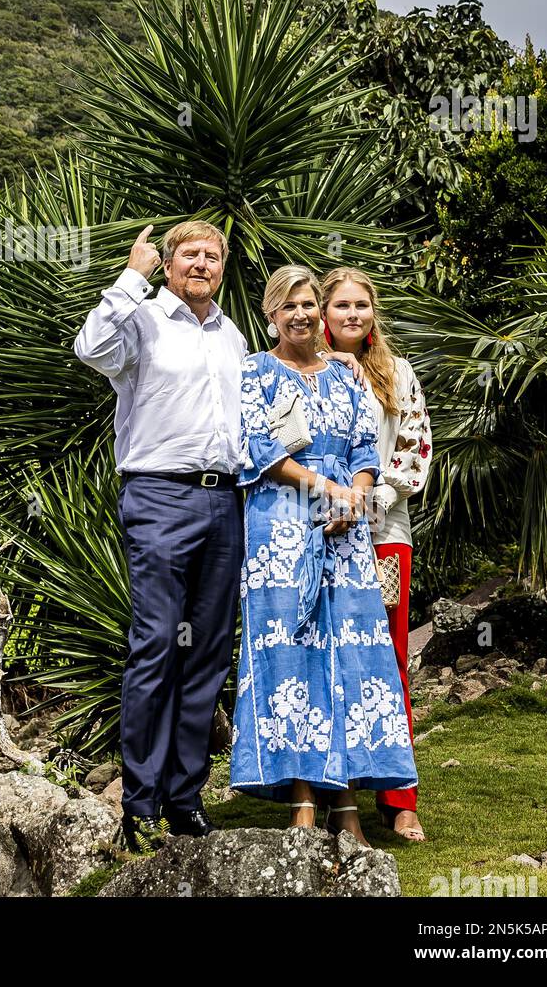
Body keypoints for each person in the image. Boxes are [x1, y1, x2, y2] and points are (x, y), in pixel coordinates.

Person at [229, 265, 418, 847]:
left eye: (310, 304)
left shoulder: (346, 378)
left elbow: (366, 445)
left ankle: (349, 805)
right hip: (278, 534)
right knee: (292, 662)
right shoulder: (254, 373)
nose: (302, 314)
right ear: (271, 314)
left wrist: (356, 495)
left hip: (348, 534)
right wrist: (324, 487)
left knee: (353, 660)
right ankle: (303, 803)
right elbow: (254, 447)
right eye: (289, 306)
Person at [73, 219, 246, 850]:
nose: (201, 264)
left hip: (225, 501)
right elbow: (88, 350)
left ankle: (184, 798)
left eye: (211, 256)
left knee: (206, 654)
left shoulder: (231, 335)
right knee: (156, 645)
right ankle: (139, 803)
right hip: (159, 497)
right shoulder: (140, 318)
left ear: (222, 267)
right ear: (168, 263)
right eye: (188, 255)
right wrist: (129, 274)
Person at [320, 266, 432, 842]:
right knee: (327, 665)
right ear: (322, 311)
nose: (353, 314)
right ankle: (330, 796)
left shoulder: (396, 372)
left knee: (387, 661)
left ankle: (399, 796)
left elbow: (415, 454)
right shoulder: (301, 368)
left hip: (383, 532)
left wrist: (372, 496)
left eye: (362, 304)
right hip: (316, 533)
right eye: (341, 304)